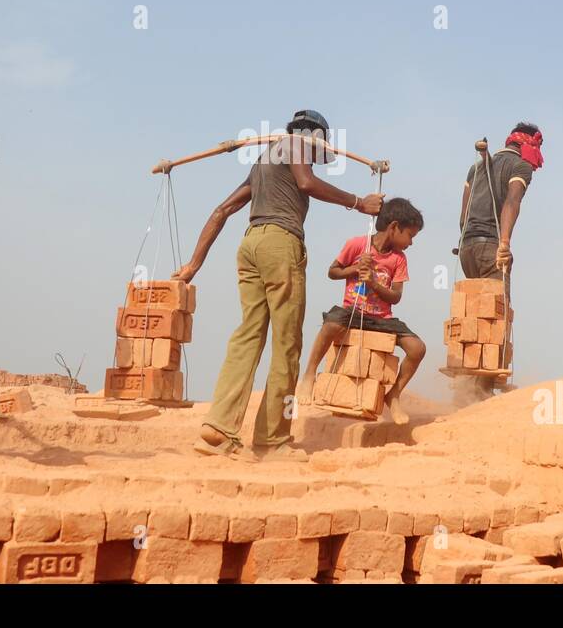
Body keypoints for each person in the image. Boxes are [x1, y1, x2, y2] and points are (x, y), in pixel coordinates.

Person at [171, 110, 383, 460]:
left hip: (250, 244)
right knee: (287, 343)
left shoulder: (264, 160)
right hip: (280, 245)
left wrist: (195, 264)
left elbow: (221, 210)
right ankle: (273, 440)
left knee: (248, 335)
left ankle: (218, 429)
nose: (318, 156)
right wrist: (359, 203)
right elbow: (307, 184)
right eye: (320, 148)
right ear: (313, 136)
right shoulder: (296, 144)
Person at [296, 197, 426, 425]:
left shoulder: (399, 259)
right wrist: (356, 268)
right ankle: (309, 375)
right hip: (353, 311)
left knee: (417, 348)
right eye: (410, 236)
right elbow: (332, 272)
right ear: (394, 227)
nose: (411, 243)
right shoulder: (358, 245)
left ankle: (393, 394)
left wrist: (375, 282)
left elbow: (396, 296)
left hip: (381, 317)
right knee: (331, 324)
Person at [458, 123, 543, 289]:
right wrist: (504, 244)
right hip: (491, 250)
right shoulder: (520, 165)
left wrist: (467, 241)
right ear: (531, 144)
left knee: (474, 310)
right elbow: (512, 201)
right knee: (495, 311)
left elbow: (463, 216)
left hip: (466, 249)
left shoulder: (475, 168)